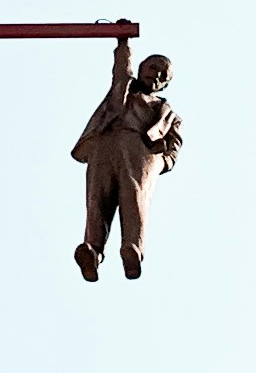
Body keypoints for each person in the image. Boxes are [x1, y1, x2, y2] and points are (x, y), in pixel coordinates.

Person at [73, 38, 179, 281]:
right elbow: (122, 67)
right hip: (105, 145)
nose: (157, 75)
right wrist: (123, 42)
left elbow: (173, 150)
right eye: (153, 67)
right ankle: (92, 250)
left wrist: (157, 162)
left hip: (140, 152)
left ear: (165, 85)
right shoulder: (123, 88)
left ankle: (132, 248)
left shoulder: (169, 114)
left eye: (163, 75)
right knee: (97, 198)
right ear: (142, 68)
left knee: (133, 198)